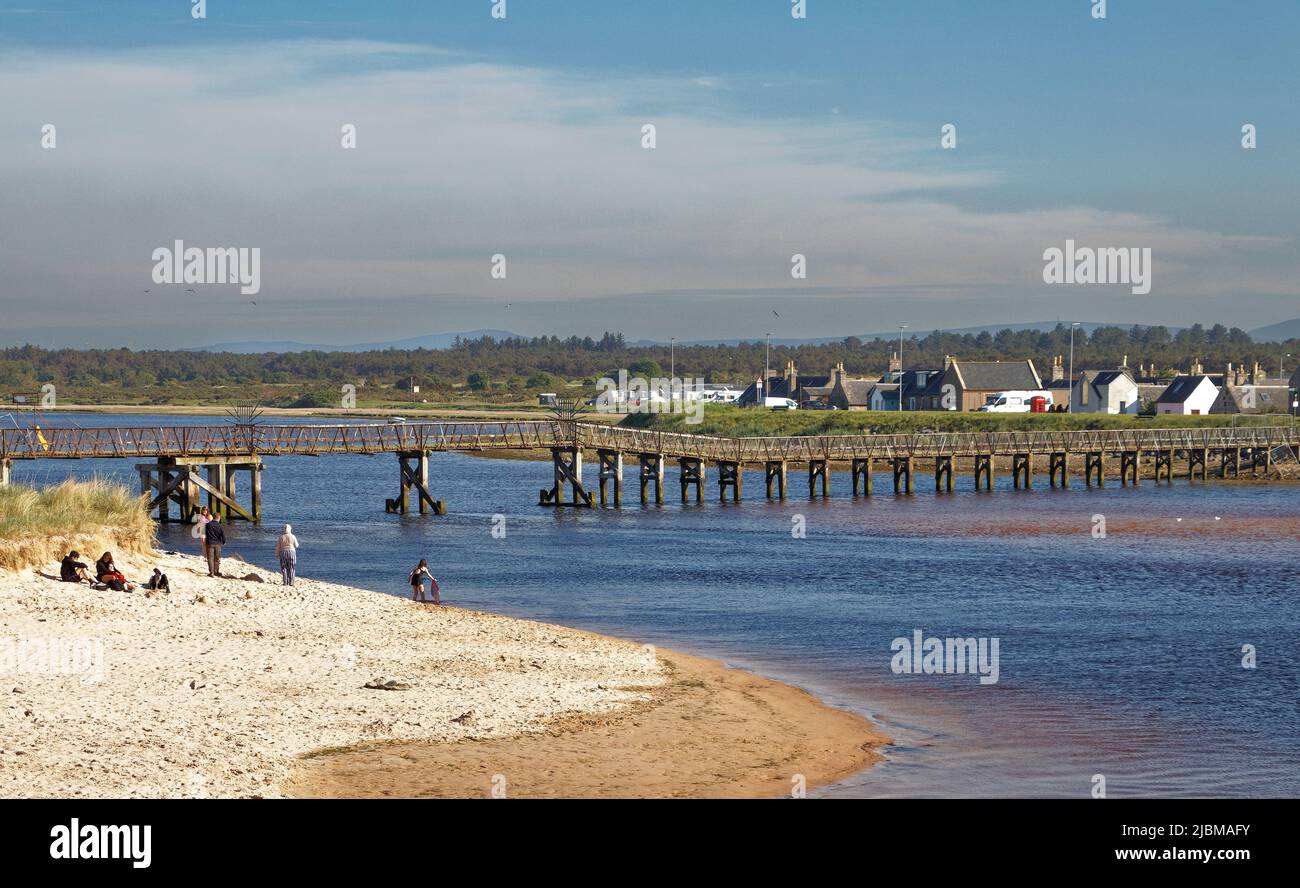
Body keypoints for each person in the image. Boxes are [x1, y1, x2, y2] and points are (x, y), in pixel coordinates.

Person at [204, 512, 226, 577]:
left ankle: (211, 573)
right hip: (218, 544)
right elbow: (223, 536)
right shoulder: (220, 526)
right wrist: (224, 542)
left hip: (210, 543)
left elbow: (206, 534)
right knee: (217, 558)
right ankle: (216, 572)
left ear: (213, 517)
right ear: (219, 518)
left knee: (210, 558)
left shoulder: (208, 525)